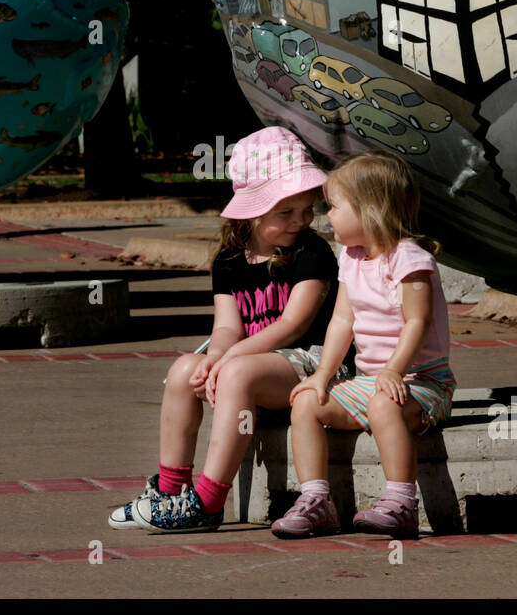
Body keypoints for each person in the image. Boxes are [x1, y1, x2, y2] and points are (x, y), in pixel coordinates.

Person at [109, 126, 348, 533]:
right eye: (285, 212)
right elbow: (225, 328)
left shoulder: (313, 252)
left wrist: (231, 360)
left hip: (315, 363)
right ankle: (170, 491)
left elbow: (294, 325)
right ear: (254, 211)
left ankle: (208, 502)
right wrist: (216, 356)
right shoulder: (229, 260)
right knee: (185, 368)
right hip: (256, 366)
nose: (301, 221)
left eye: (307, 209)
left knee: (236, 371)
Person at [271, 152, 454, 540]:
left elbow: (417, 322)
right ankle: (317, 501)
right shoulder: (350, 257)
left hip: (423, 381)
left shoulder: (409, 258)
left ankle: (401, 501)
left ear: (369, 210)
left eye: (334, 207)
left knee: (383, 403)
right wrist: (321, 376)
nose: (326, 217)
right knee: (305, 401)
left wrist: (394, 370)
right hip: (373, 381)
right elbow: (342, 321)